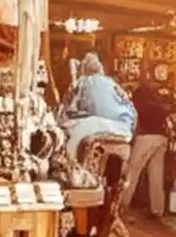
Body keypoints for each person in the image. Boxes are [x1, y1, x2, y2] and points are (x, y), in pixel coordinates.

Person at [59, 52, 135, 160]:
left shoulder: (83, 82)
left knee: (71, 135)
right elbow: (129, 106)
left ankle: (71, 163)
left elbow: (71, 107)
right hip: (124, 129)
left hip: (100, 125)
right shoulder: (112, 83)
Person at [121, 82, 170, 218]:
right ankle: (157, 209)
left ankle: (122, 205)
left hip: (146, 138)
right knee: (156, 174)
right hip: (162, 138)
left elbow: (134, 123)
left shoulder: (139, 103)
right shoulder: (157, 104)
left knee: (133, 172)